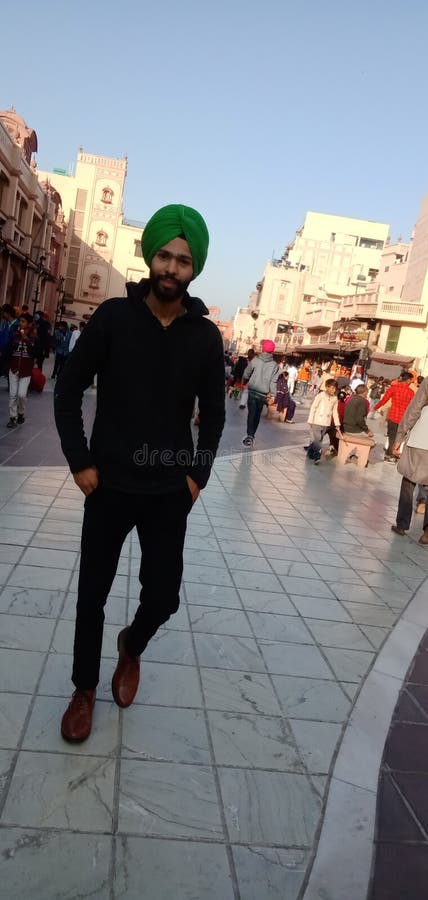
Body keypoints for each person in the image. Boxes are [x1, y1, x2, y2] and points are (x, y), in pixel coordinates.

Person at [54, 203, 225, 743]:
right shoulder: (113, 318)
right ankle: (84, 689)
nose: (172, 268)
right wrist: (80, 461)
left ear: (194, 269)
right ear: (150, 257)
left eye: (183, 260)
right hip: (108, 486)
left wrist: (196, 477)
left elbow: (214, 416)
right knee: (92, 596)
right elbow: (67, 390)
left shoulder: (205, 337)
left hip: (169, 490)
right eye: (165, 256)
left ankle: (133, 645)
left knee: (164, 596)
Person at [391, 378, 428, 543]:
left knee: (408, 480)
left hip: (421, 438)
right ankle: (427, 532)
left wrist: (400, 435)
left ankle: (402, 524)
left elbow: (414, 409)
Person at [242, 339, 279, 446]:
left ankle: (249, 435)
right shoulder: (274, 365)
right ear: (272, 351)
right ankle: (252, 434)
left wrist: (245, 380)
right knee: (257, 415)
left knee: (251, 414)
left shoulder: (255, 360)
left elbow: (246, 373)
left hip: (253, 391)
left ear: (263, 349)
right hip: (262, 394)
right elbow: (273, 382)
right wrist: (273, 395)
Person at [373, 371, 415, 461]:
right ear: (408, 380)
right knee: (399, 438)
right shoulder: (411, 393)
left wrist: (375, 407)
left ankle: (389, 455)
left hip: (393, 416)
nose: (411, 382)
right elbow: (413, 407)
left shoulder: (393, 388)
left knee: (391, 436)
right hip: (404, 419)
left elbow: (384, 400)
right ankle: (392, 455)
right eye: (411, 380)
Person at [5, 314, 36, 427]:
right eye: (20, 321)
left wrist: (26, 339)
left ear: (29, 324)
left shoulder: (34, 337)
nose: (20, 323)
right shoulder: (15, 335)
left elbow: (36, 352)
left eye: (23, 321)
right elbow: (8, 350)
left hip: (26, 371)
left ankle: (21, 412)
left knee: (21, 394)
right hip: (13, 369)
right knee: (13, 395)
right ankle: (12, 418)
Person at [306, 379, 340, 464]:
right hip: (317, 421)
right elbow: (313, 407)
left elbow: (335, 411)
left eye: (335, 388)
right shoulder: (320, 396)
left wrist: (337, 423)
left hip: (326, 422)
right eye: (332, 388)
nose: (333, 390)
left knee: (319, 439)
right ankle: (317, 456)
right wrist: (310, 419)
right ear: (327, 387)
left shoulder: (335, 398)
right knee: (317, 439)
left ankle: (310, 452)